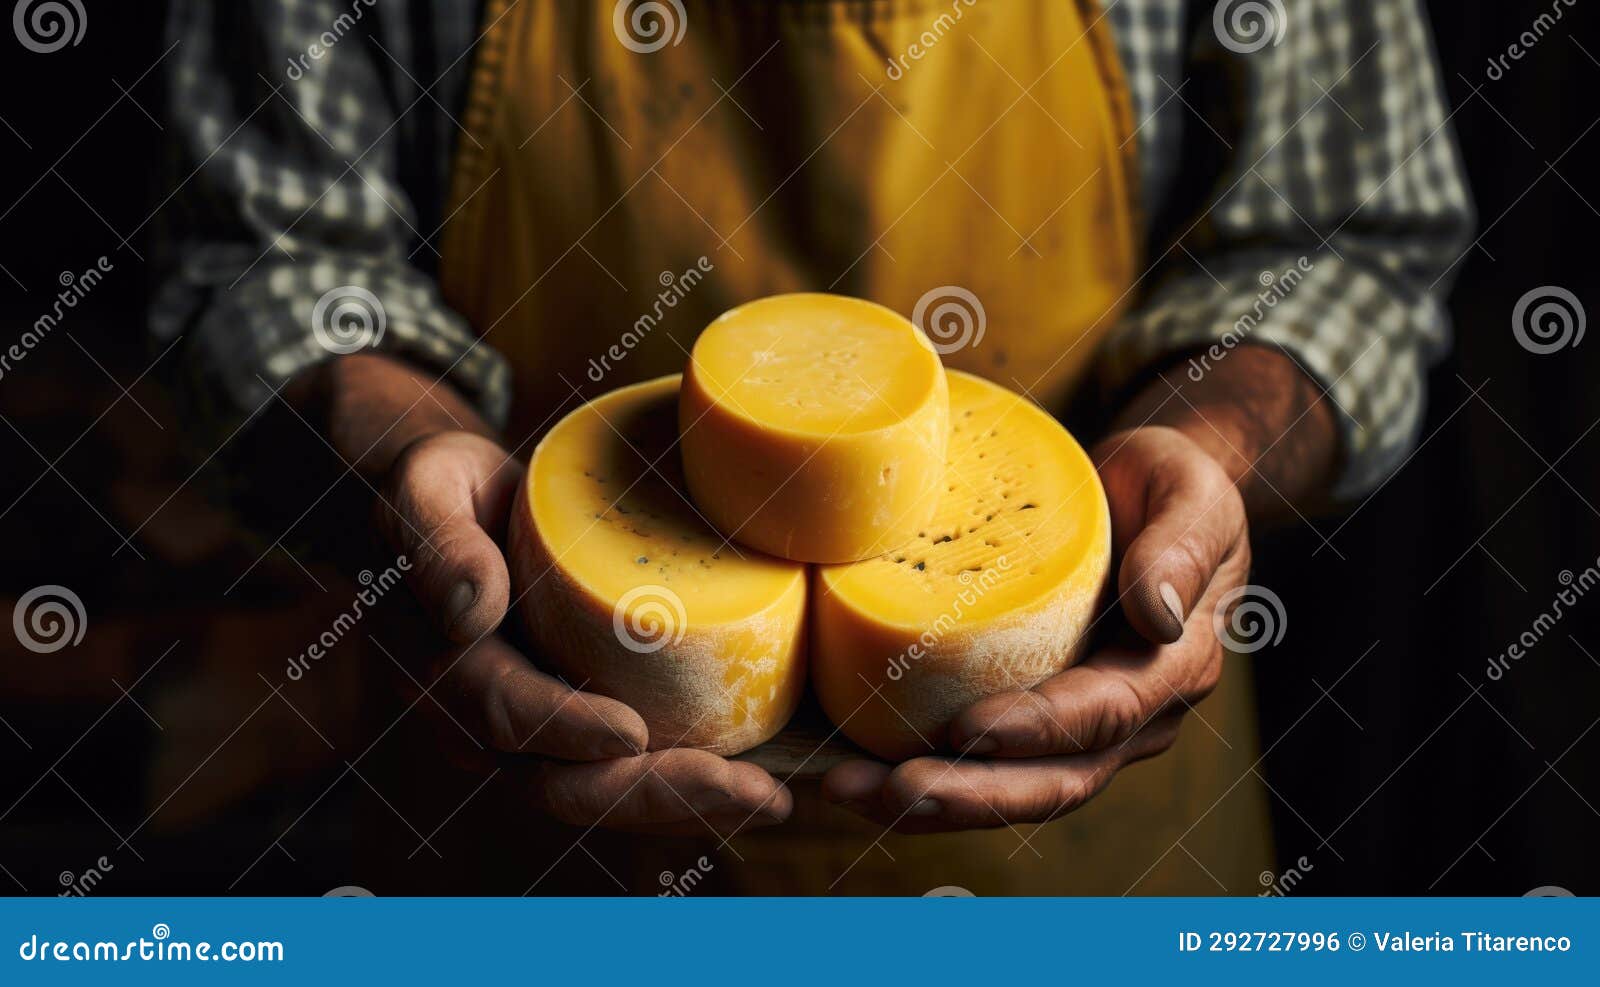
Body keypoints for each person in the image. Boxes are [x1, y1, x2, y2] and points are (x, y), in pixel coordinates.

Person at [155, 0, 1470, 894]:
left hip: (1081, 860)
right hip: (529, 816)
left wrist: (1213, 446)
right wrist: (410, 458)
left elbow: (1344, 246)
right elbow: (266, 262)